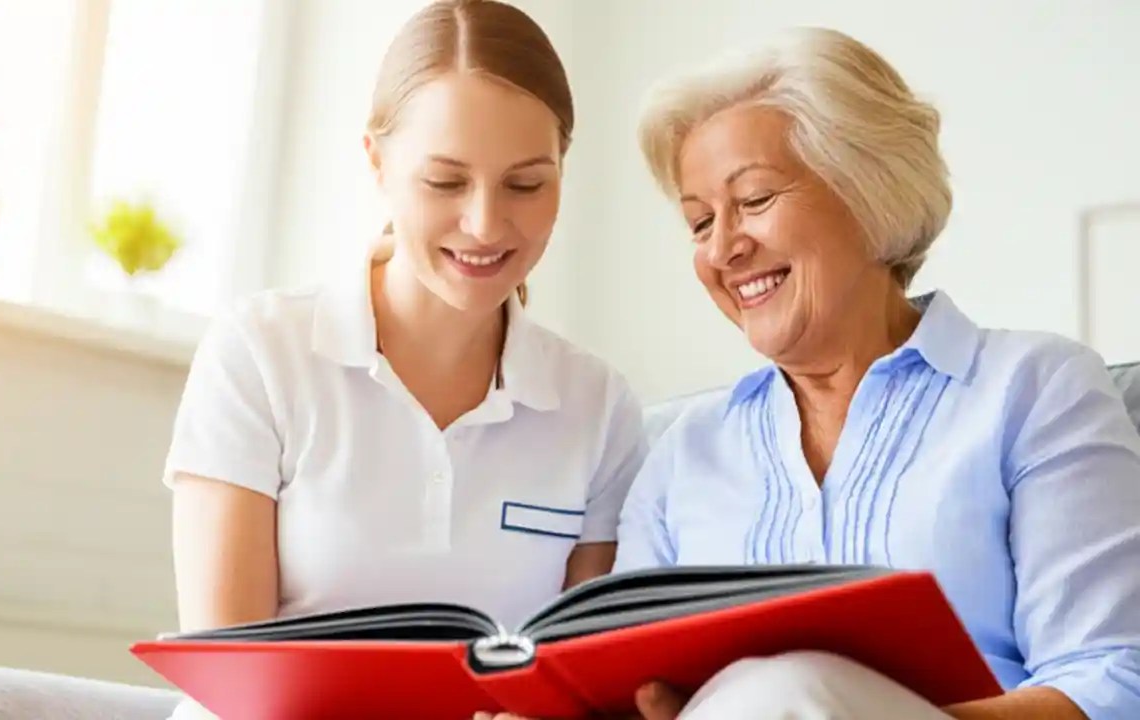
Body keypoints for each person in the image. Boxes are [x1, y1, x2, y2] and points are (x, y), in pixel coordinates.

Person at [479, 25, 1140, 720]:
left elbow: (1113, 678)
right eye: (700, 223)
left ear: (868, 190)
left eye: (754, 201)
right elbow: (624, 692)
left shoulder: (1034, 389)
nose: (723, 249)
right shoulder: (681, 456)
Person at [163, 0, 647, 717]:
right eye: (445, 182)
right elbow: (232, 683)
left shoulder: (597, 408)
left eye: (525, 184)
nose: (484, 223)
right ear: (377, 163)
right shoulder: (259, 354)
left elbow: (579, 689)